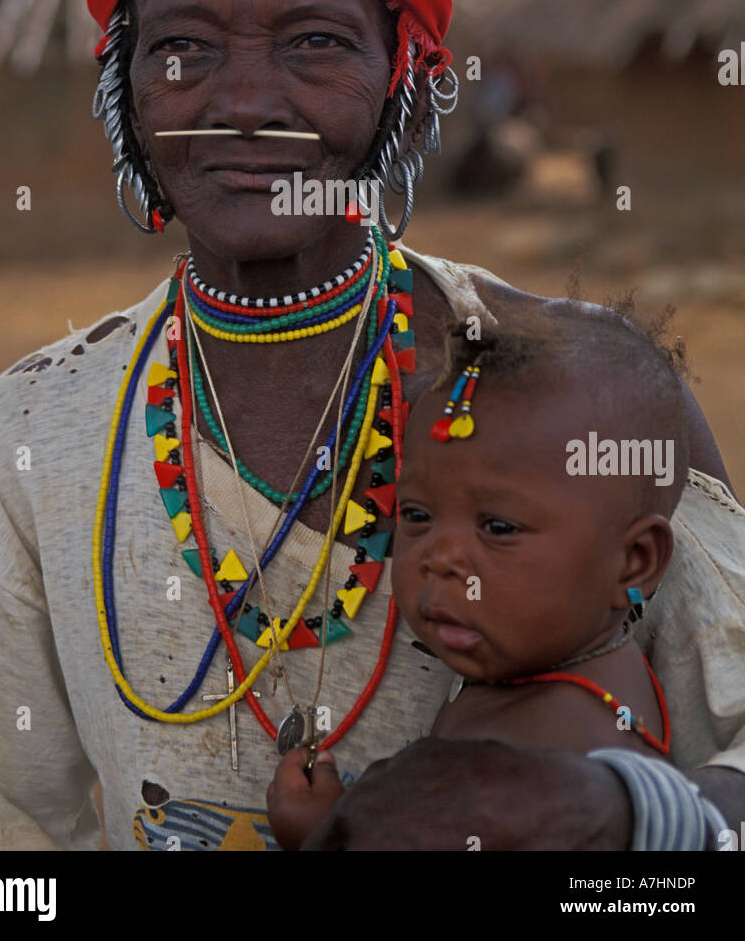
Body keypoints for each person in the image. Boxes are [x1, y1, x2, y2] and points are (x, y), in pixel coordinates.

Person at [0, 0, 743, 853]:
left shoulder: (573, 387)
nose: (246, 101)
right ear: (124, 88)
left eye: (315, 44)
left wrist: (616, 810)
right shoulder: (40, 428)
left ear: (404, 73)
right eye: (182, 49)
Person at [267, 304, 730, 849]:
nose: (441, 559)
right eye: (417, 515)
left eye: (499, 526)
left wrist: (323, 837)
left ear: (635, 562)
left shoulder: (543, 778)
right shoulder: (565, 688)